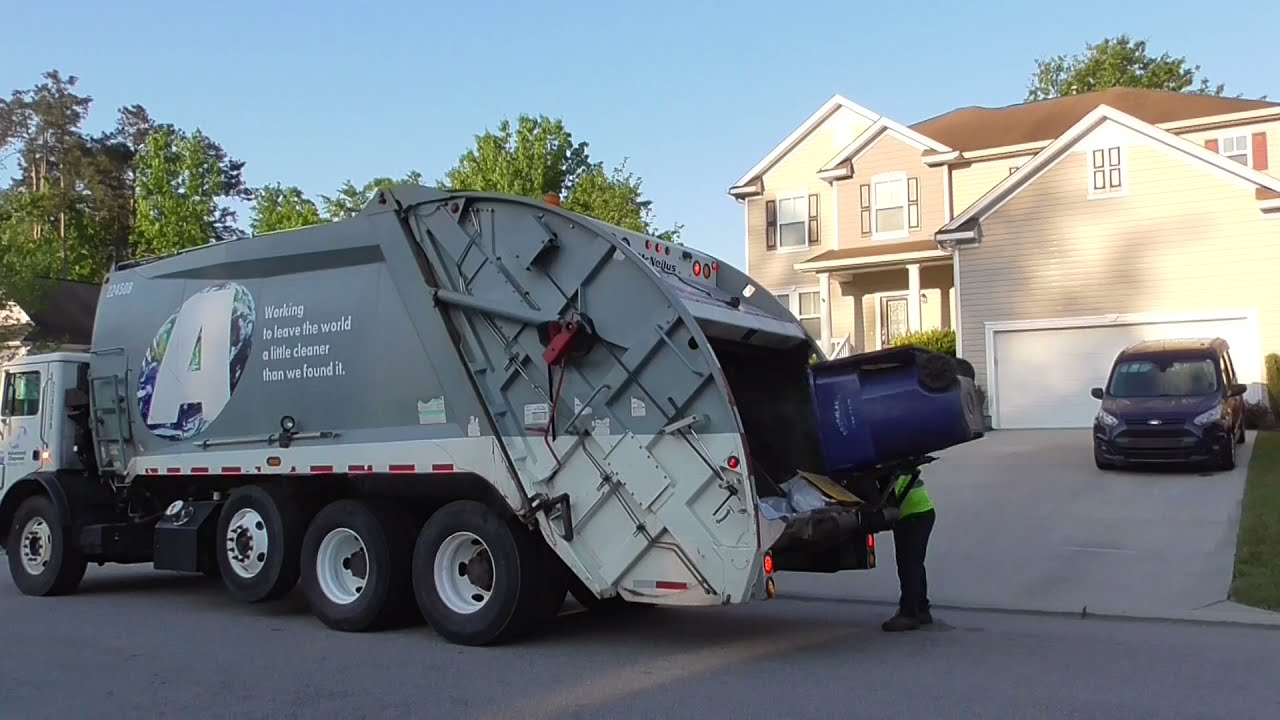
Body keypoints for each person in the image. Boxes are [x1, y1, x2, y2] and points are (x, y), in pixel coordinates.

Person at [882, 469, 936, 632]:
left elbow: (885, 497)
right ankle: (921, 608)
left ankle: (908, 614)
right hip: (922, 512)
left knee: (908, 565)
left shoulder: (886, 470)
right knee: (915, 563)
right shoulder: (896, 461)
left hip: (913, 515)